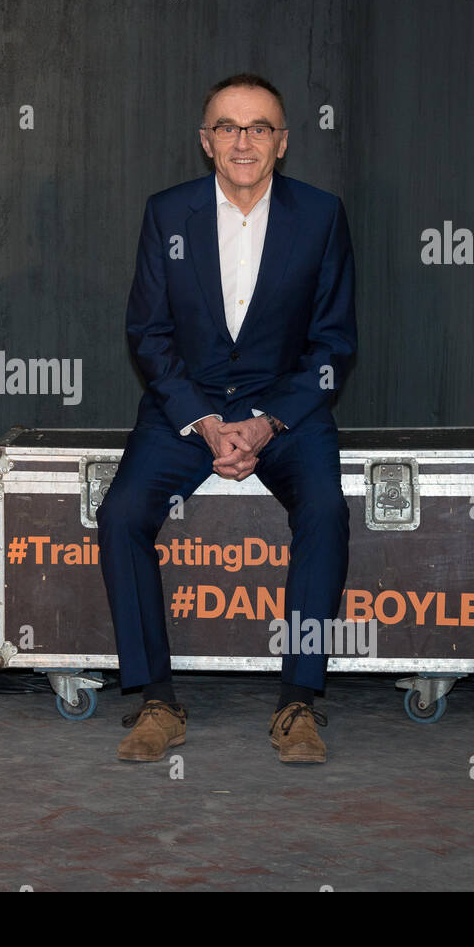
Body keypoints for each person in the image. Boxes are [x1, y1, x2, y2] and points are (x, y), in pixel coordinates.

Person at [98, 73, 357, 764]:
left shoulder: (322, 215)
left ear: (283, 143)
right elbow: (147, 333)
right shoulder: (167, 213)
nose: (244, 140)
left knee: (327, 511)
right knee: (121, 513)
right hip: (185, 406)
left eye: (260, 127)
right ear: (206, 140)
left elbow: (334, 344)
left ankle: (299, 701)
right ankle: (157, 699)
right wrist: (204, 422)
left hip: (287, 408)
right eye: (229, 127)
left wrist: (269, 421)